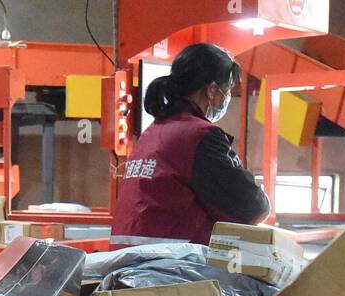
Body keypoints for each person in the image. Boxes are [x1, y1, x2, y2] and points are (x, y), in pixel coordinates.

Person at [111, 43, 270, 246]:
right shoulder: (199, 136)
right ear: (212, 90)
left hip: (133, 262)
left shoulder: (153, 132)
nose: (228, 97)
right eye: (228, 89)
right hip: (171, 266)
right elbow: (251, 206)